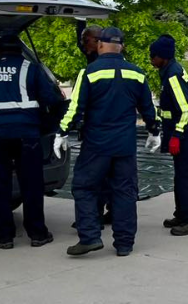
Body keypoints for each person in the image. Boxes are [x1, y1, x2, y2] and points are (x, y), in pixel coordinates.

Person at [58, 26, 158, 257]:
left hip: (97, 144)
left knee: (84, 187)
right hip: (125, 145)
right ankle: (124, 244)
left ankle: (90, 237)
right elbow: (148, 109)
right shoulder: (137, 73)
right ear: (121, 46)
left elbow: (76, 109)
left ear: (101, 45)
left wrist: (61, 131)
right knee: (124, 191)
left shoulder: (90, 72)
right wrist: (155, 132)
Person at [0, 32, 64, 250]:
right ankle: (38, 234)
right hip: (27, 136)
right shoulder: (31, 69)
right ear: (20, 50)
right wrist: (46, 125)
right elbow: (52, 99)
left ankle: (4, 237)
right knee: (31, 186)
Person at [151, 34, 188, 236]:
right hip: (181, 135)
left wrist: (176, 135)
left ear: (162, 57)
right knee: (181, 178)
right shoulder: (169, 70)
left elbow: (185, 110)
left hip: (185, 138)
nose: (150, 60)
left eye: (152, 56)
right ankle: (182, 213)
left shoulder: (172, 75)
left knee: (186, 178)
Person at [74, 20, 113, 226]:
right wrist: (79, 20)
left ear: (98, 42)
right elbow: (80, 40)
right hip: (104, 128)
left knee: (97, 175)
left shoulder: (98, 64)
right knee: (105, 174)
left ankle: (97, 215)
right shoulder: (93, 57)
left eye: (85, 40)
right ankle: (103, 211)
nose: (82, 44)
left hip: (100, 128)